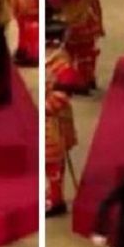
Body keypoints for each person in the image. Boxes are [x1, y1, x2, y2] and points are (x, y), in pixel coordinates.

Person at [44, 51, 77, 217]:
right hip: (45, 119)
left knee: (52, 161)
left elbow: (63, 95)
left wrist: (44, 107)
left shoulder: (63, 63)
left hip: (53, 119)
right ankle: (52, 196)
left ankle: (55, 199)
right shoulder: (50, 59)